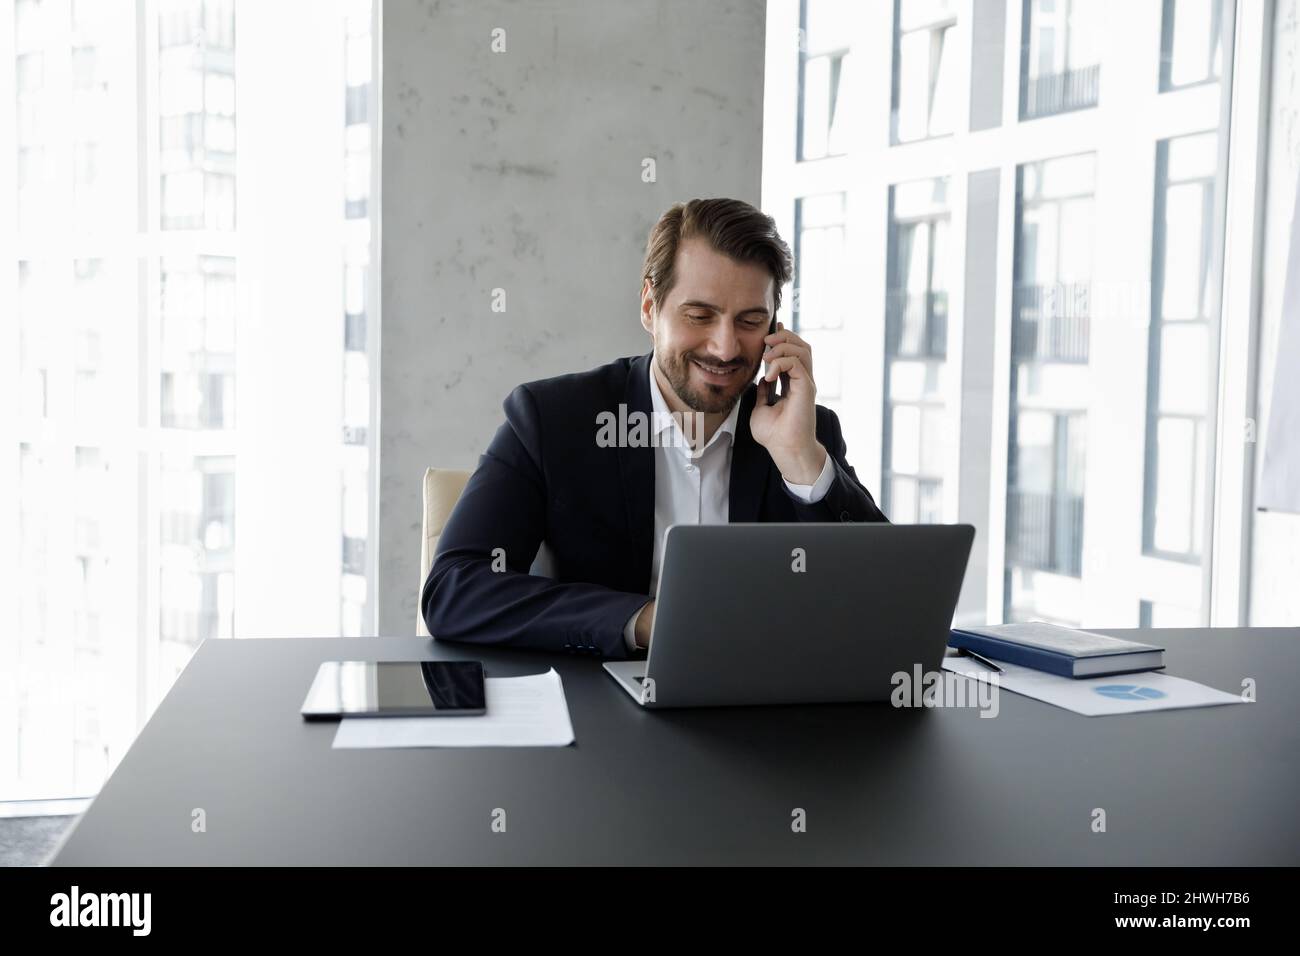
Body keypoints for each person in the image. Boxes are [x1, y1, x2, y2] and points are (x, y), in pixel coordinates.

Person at [422, 197, 888, 658]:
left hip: (765, 715)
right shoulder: (552, 419)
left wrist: (802, 463)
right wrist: (646, 620)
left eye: (750, 320)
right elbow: (455, 589)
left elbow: (886, 605)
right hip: (602, 712)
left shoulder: (804, 431)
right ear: (650, 306)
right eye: (700, 316)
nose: (725, 348)